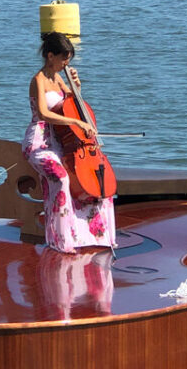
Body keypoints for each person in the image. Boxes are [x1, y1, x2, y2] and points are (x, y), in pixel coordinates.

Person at [21, 32, 116, 254]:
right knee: (61, 177)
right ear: (51, 55)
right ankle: (60, 239)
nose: (67, 63)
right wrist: (75, 121)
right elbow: (44, 114)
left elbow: (72, 104)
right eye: (64, 58)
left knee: (96, 181)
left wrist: (76, 87)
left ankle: (96, 235)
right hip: (39, 142)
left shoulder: (58, 78)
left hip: (62, 141)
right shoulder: (38, 81)